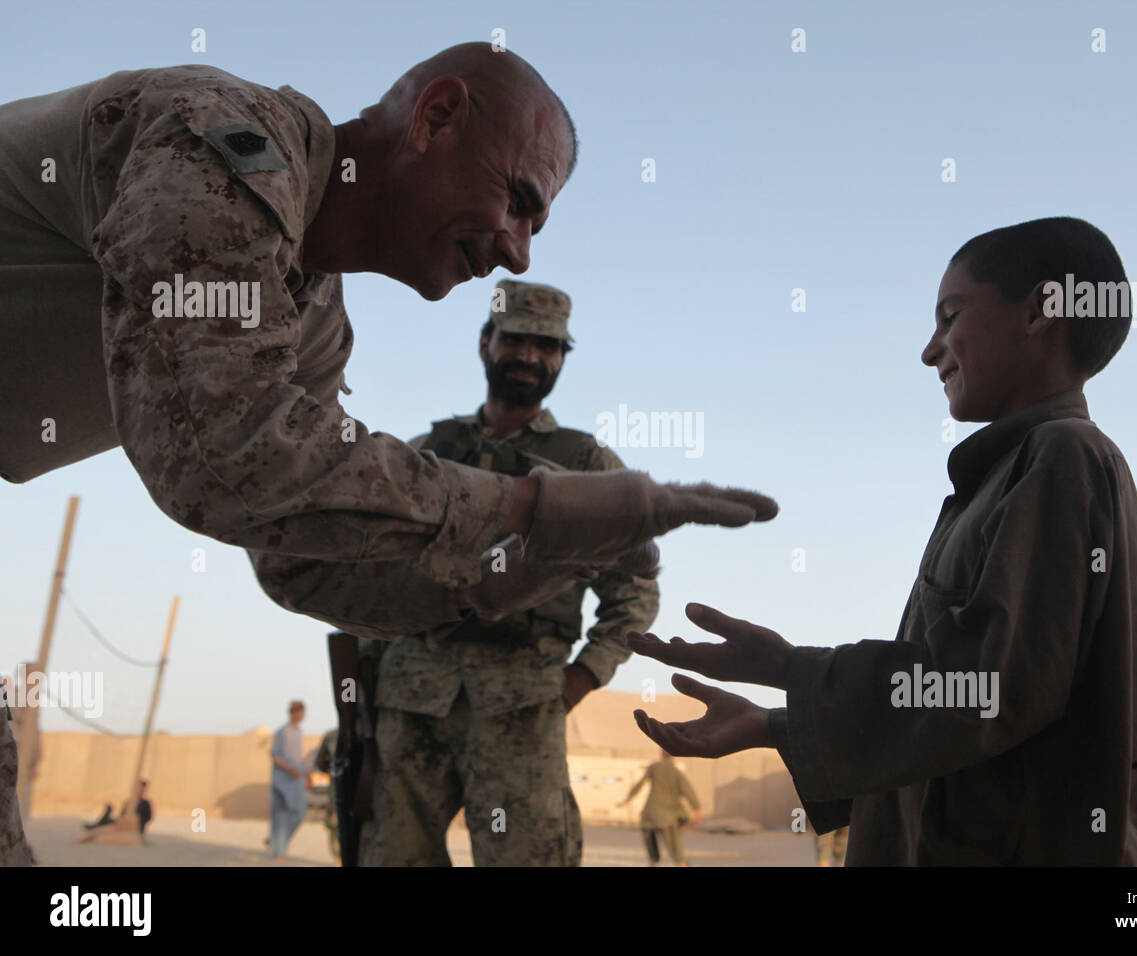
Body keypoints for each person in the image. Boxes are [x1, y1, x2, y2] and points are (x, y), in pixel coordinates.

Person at [0, 44, 776, 866]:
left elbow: (296, 558)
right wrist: (525, 510)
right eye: (517, 202)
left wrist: (496, 578)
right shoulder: (220, 136)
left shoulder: (314, 320)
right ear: (435, 117)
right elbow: (218, 452)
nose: (518, 251)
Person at [628, 217, 1137, 866]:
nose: (931, 350)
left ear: (1044, 310)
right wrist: (774, 724)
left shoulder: (1061, 455)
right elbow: (945, 713)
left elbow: (984, 691)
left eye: (950, 315)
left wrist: (789, 669)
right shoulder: (1010, 473)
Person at [360, 280, 659, 867]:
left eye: (547, 346)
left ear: (562, 359)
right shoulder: (426, 454)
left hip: (522, 707)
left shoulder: (588, 466)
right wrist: (366, 701)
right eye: (516, 339)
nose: (529, 356)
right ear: (485, 343)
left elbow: (635, 592)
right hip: (411, 702)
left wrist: (581, 679)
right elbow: (375, 581)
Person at [620, 750, 701, 866]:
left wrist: (628, 798)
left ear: (662, 754)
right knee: (674, 847)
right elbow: (688, 791)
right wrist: (697, 808)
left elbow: (640, 784)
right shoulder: (676, 772)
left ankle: (654, 862)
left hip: (649, 815)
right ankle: (682, 863)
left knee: (651, 847)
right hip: (668, 816)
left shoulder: (654, 767)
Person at [270, 701, 310, 858]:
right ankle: (278, 849)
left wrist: (305, 773)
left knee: (299, 812)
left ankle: (278, 841)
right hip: (282, 780)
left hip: (296, 780)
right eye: (301, 712)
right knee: (280, 815)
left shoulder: (299, 732)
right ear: (295, 712)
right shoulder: (282, 732)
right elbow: (276, 757)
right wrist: (292, 770)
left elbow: (299, 757)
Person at [313, 729, 340, 863]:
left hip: (339, 791)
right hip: (341, 792)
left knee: (336, 825)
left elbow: (321, 764)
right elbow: (321, 763)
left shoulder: (332, 736)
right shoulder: (369, 727)